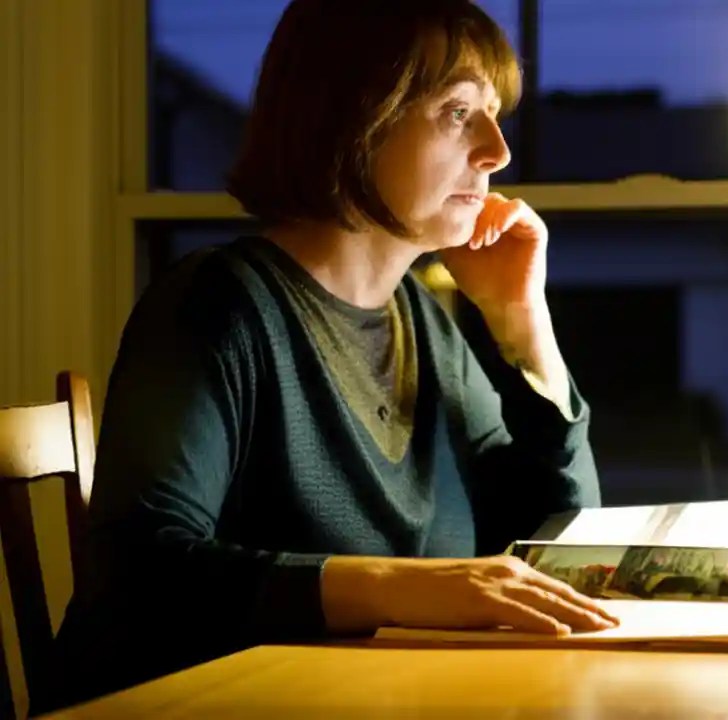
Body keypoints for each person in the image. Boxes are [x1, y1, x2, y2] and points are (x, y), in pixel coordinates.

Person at [48, 0, 617, 708]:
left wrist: (521, 321)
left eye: (495, 114)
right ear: (357, 118)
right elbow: (141, 571)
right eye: (457, 112)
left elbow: (556, 546)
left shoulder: (424, 323)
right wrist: (396, 586)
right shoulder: (216, 308)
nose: (497, 151)